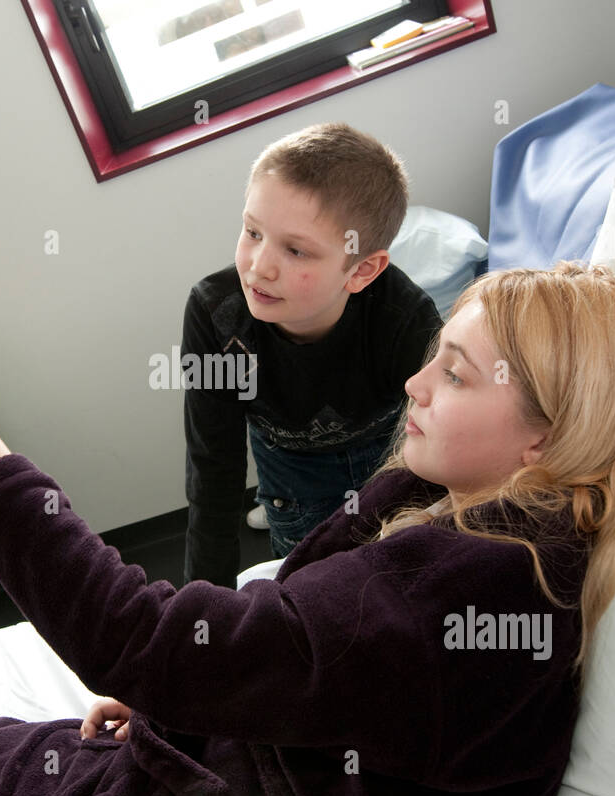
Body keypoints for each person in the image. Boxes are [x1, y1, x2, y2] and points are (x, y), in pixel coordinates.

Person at [0, 261, 615, 796]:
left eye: (456, 374)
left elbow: (143, 635)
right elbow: (290, 648)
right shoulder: (467, 512)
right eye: (435, 355)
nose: (415, 382)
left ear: (544, 436)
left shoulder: (467, 591)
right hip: (243, 750)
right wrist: (176, 697)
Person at [182, 123, 443, 586]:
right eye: (252, 232)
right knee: (311, 588)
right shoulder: (215, 317)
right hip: (290, 476)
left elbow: (451, 437)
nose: (259, 267)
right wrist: (204, 607)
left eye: (297, 250)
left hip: (394, 458)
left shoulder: (403, 318)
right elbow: (213, 465)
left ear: (361, 270)